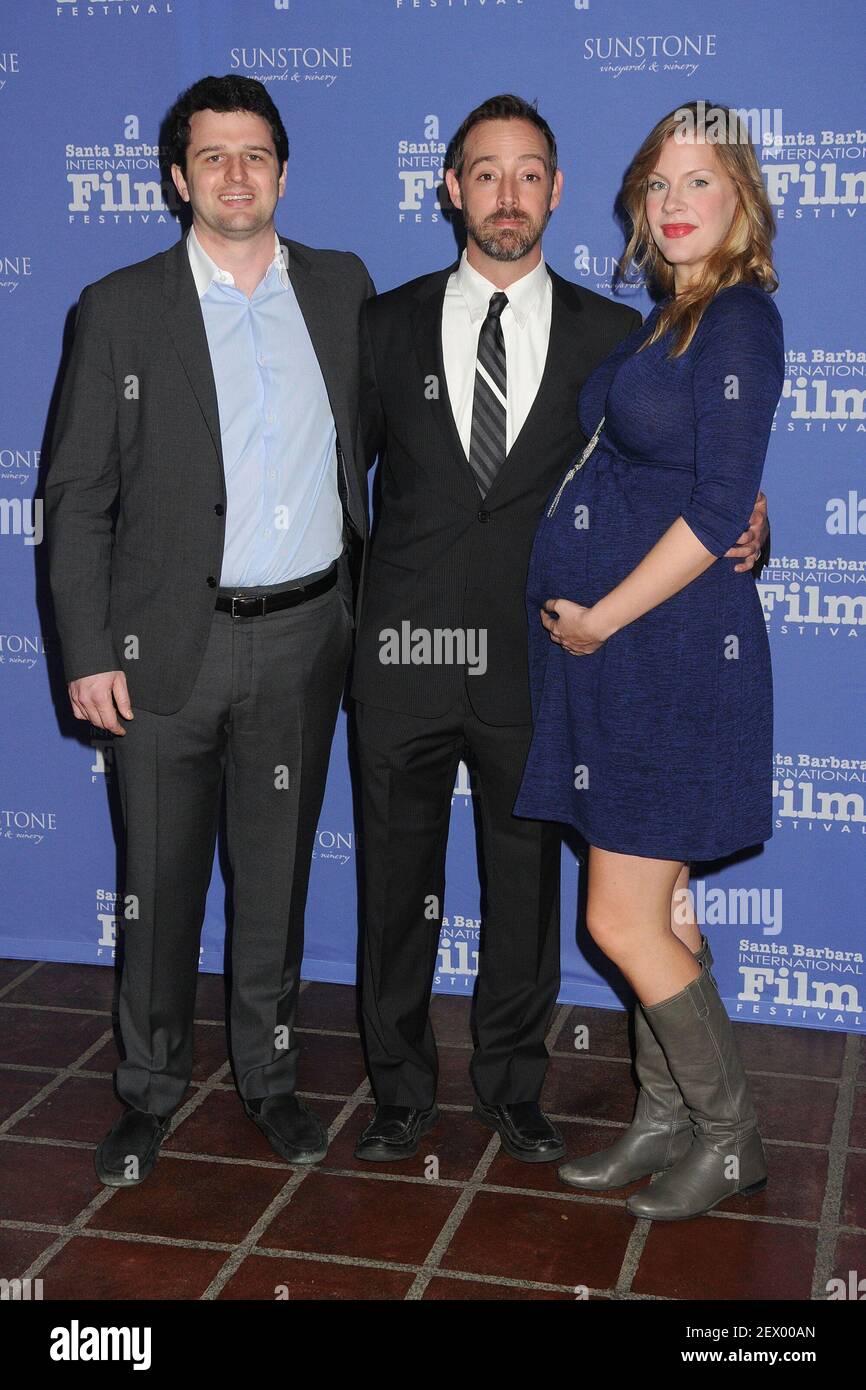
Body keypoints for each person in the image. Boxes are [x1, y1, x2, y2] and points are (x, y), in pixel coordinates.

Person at [350, 95, 769, 1164]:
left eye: (528, 172)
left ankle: (510, 1083)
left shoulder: (612, 332)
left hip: (547, 654)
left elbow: (692, 466)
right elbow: (327, 480)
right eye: (483, 173)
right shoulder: (382, 323)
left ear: (559, 191)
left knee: (528, 883)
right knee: (396, 883)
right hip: (405, 651)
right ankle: (398, 1089)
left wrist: (753, 527)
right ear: (450, 189)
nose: (506, 193)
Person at [45, 75, 373, 1185]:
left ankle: (270, 1079)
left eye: (256, 155)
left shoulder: (341, 289)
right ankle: (147, 1092)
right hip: (157, 654)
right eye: (213, 157)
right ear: (179, 178)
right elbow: (78, 494)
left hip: (302, 641)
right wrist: (85, 648)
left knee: (273, 884)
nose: (237, 175)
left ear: (283, 170)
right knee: (159, 884)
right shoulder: (119, 305)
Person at [513, 101, 784, 1220]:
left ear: (741, 201)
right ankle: (666, 1118)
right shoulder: (670, 316)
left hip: (665, 654)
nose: (673, 205)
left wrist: (602, 617)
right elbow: (706, 494)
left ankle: (731, 1136)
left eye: (699, 183)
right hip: (632, 654)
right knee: (659, 912)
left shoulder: (736, 322)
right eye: (657, 185)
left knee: (616, 918)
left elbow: (720, 499)